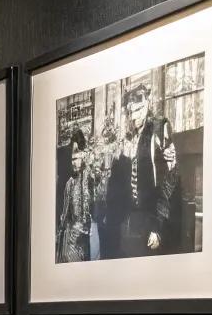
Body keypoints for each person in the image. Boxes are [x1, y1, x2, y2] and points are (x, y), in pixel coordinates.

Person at [104, 80, 183, 258]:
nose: (134, 117)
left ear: (147, 104)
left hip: (155, 219)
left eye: (138, 110)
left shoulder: (159, 129)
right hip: (133, 221)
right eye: (131, 112)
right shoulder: (129, 137)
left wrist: (158, 227)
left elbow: (169, 182)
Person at [55, 128, 96, 263]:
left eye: (78, 157)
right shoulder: (71, 181)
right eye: (73, 158)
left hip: (81, 231)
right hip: (67, 192)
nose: (74, 161)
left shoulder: (87, 177)